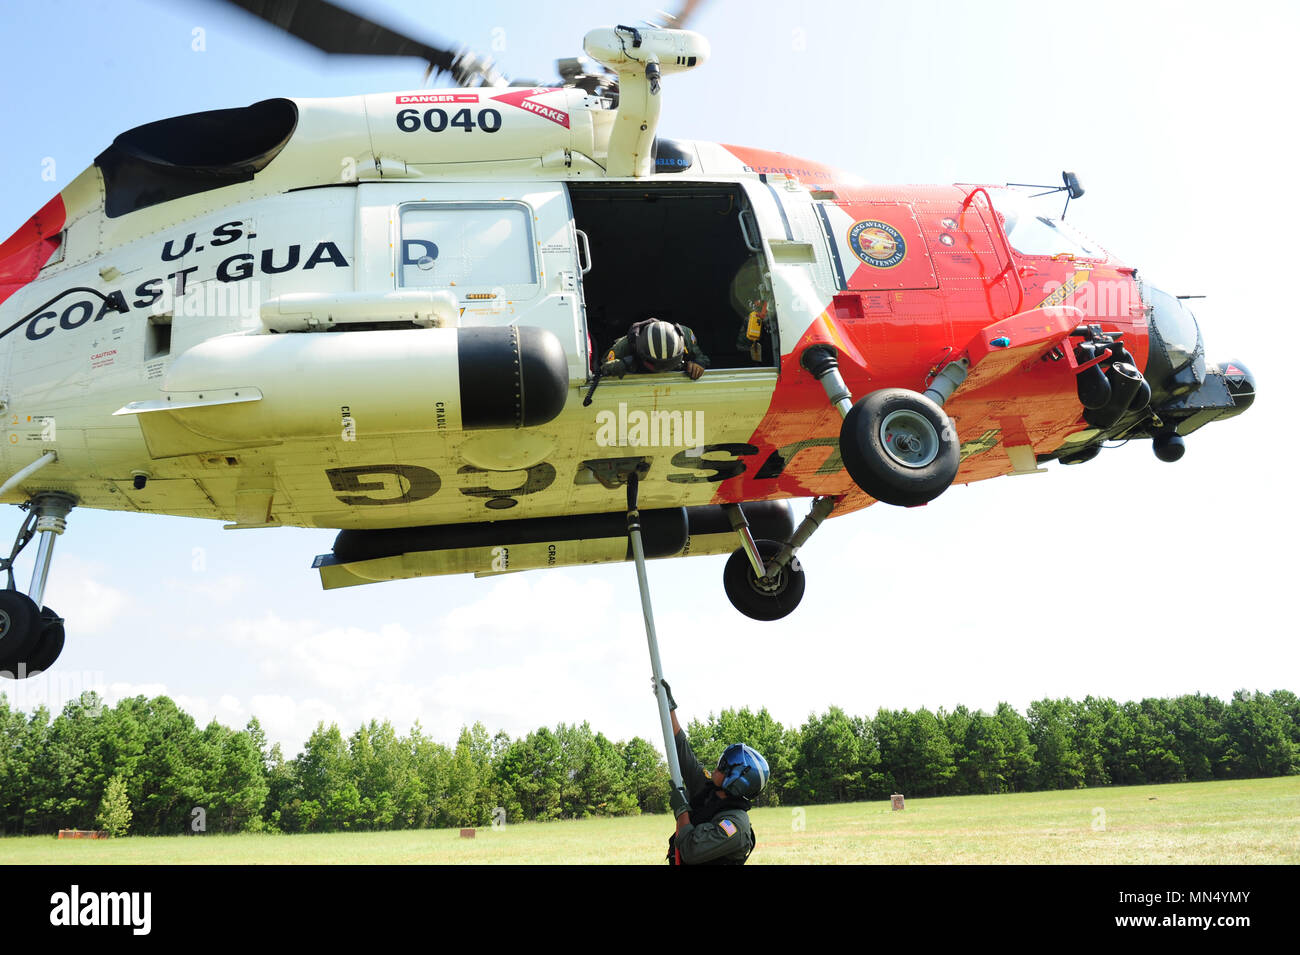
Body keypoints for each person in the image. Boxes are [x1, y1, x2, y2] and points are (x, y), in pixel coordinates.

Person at [657, 679, 768, 865]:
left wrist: (682, 810)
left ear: (737, 781)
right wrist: (668, 707)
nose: (718, 766)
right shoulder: (709, 791)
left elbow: (690, 850)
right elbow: (683, 753)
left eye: (725, 765)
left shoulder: (735, 826)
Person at [600, 318, 710, 380]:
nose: (662, 371)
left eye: (667, 365)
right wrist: (626, 364)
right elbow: (605, 367)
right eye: (657, 366)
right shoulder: (625, 345)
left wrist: (698, 363)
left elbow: (701, 356)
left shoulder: (685, 336)